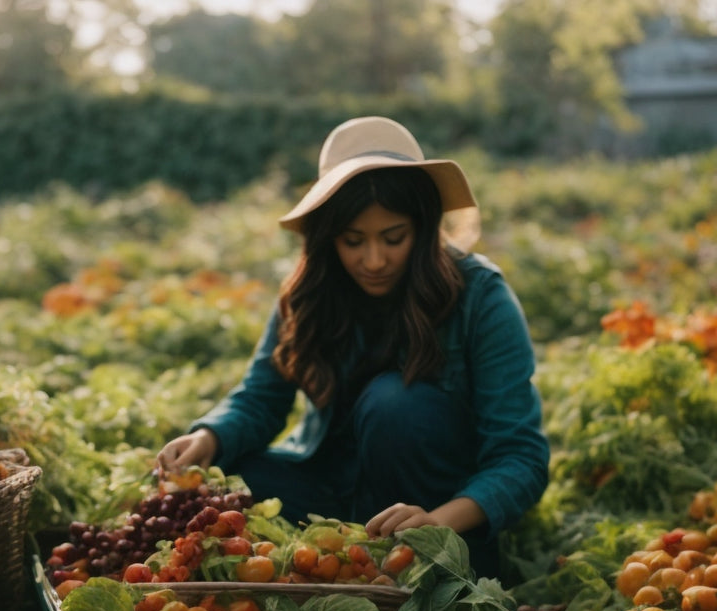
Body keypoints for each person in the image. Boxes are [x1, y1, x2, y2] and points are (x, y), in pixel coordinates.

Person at [156, 115, 548, 580]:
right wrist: (209, 437)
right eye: (354, 241)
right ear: (328, 238)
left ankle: (420, 569)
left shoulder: (480, 297)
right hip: (333, 487)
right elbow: (262, 397)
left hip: (435, 507)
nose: (375, 260)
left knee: (397, 404)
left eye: (393, 238)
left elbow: (521, 457)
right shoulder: (310, 293)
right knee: (226, 479)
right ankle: (345, 554)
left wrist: (437, 523)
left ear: (422, 229)